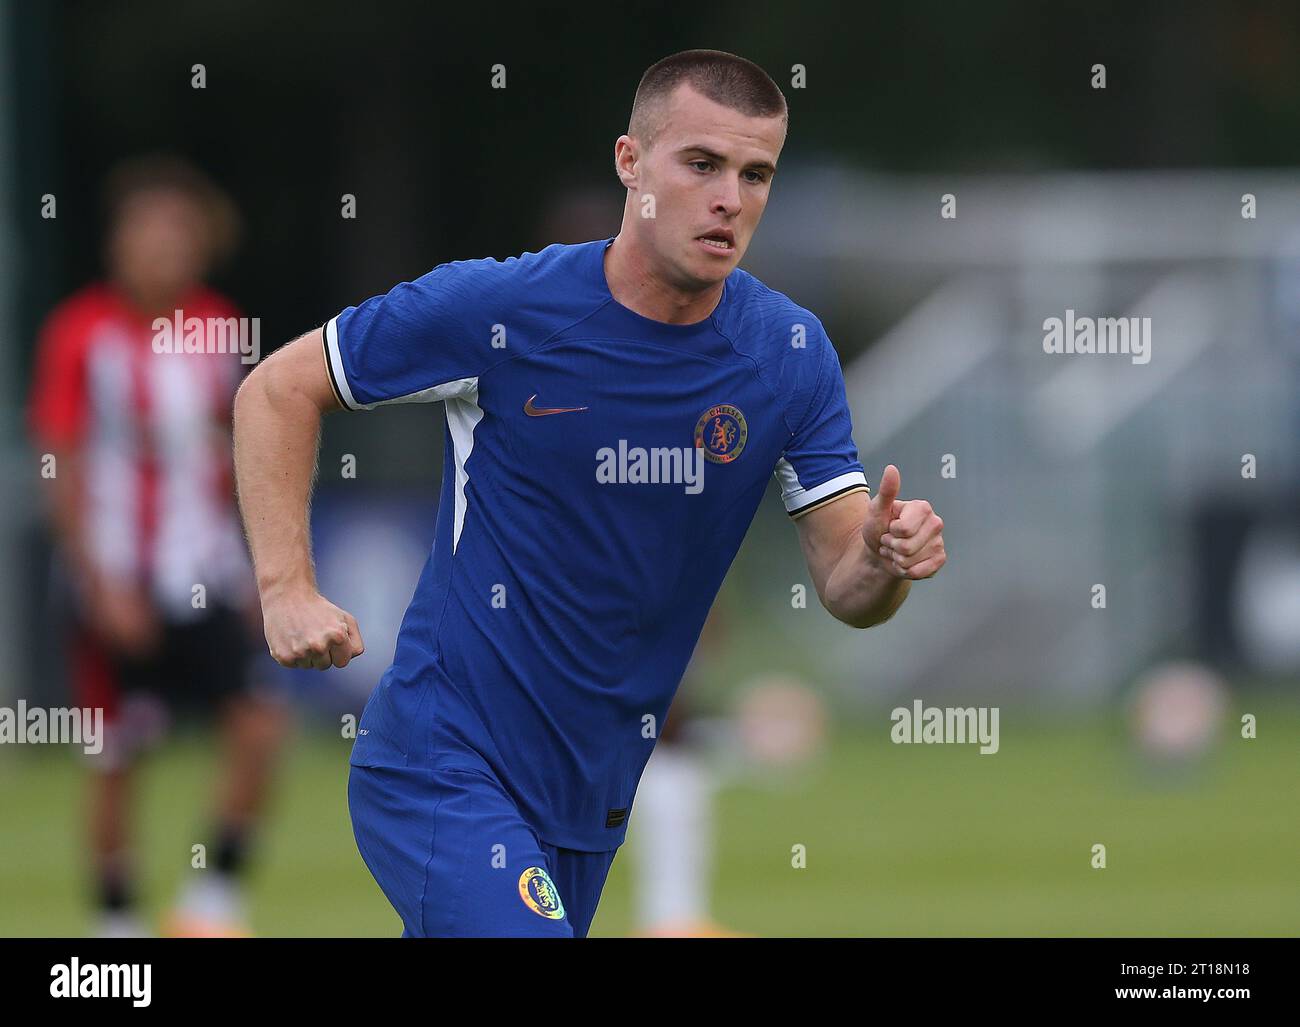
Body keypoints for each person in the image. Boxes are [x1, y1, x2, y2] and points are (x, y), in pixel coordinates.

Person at [232, 49, 946, 937]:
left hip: (592, 798)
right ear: (630, 163)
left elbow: (848, 582)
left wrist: (886, 560)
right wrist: (285, 588)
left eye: (756, 173)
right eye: (702, 164)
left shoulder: (786, 354)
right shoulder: (501, 309)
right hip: (442, 764)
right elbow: (276, 389)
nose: (731, 198)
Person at [28, 156, 289, 937]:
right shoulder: (80, 333)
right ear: (119, 245)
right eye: (147, 234)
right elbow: (61, 459)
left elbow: (235, 454)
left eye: (177, 235)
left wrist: (250, 570)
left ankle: (212, 902)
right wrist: (99, 581)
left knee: (258, 726)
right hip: (114, 578)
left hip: (199, 573)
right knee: (117, 752)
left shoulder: (218, 328)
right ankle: (116, 928)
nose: (161, 250)